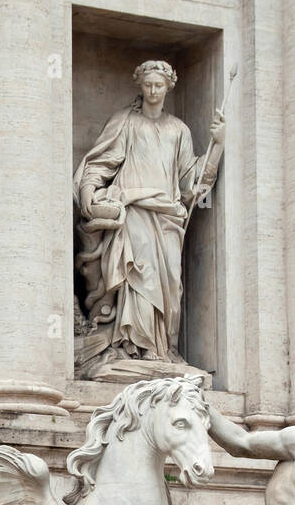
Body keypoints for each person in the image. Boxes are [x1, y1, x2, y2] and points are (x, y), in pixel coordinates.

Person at [74, 59, 224, 367]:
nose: (153, 90)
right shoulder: (125, 120)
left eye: (159, 85)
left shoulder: (178, 130)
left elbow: (191, 183)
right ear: (139, 86)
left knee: (170, 285)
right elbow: (101, 163)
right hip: (134, 211)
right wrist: (89, 192)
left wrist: (218, 146)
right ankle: (131, 345)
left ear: (169, 86)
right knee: (138, 276)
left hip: (168, 216)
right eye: (147, 85)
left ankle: (161, 346)